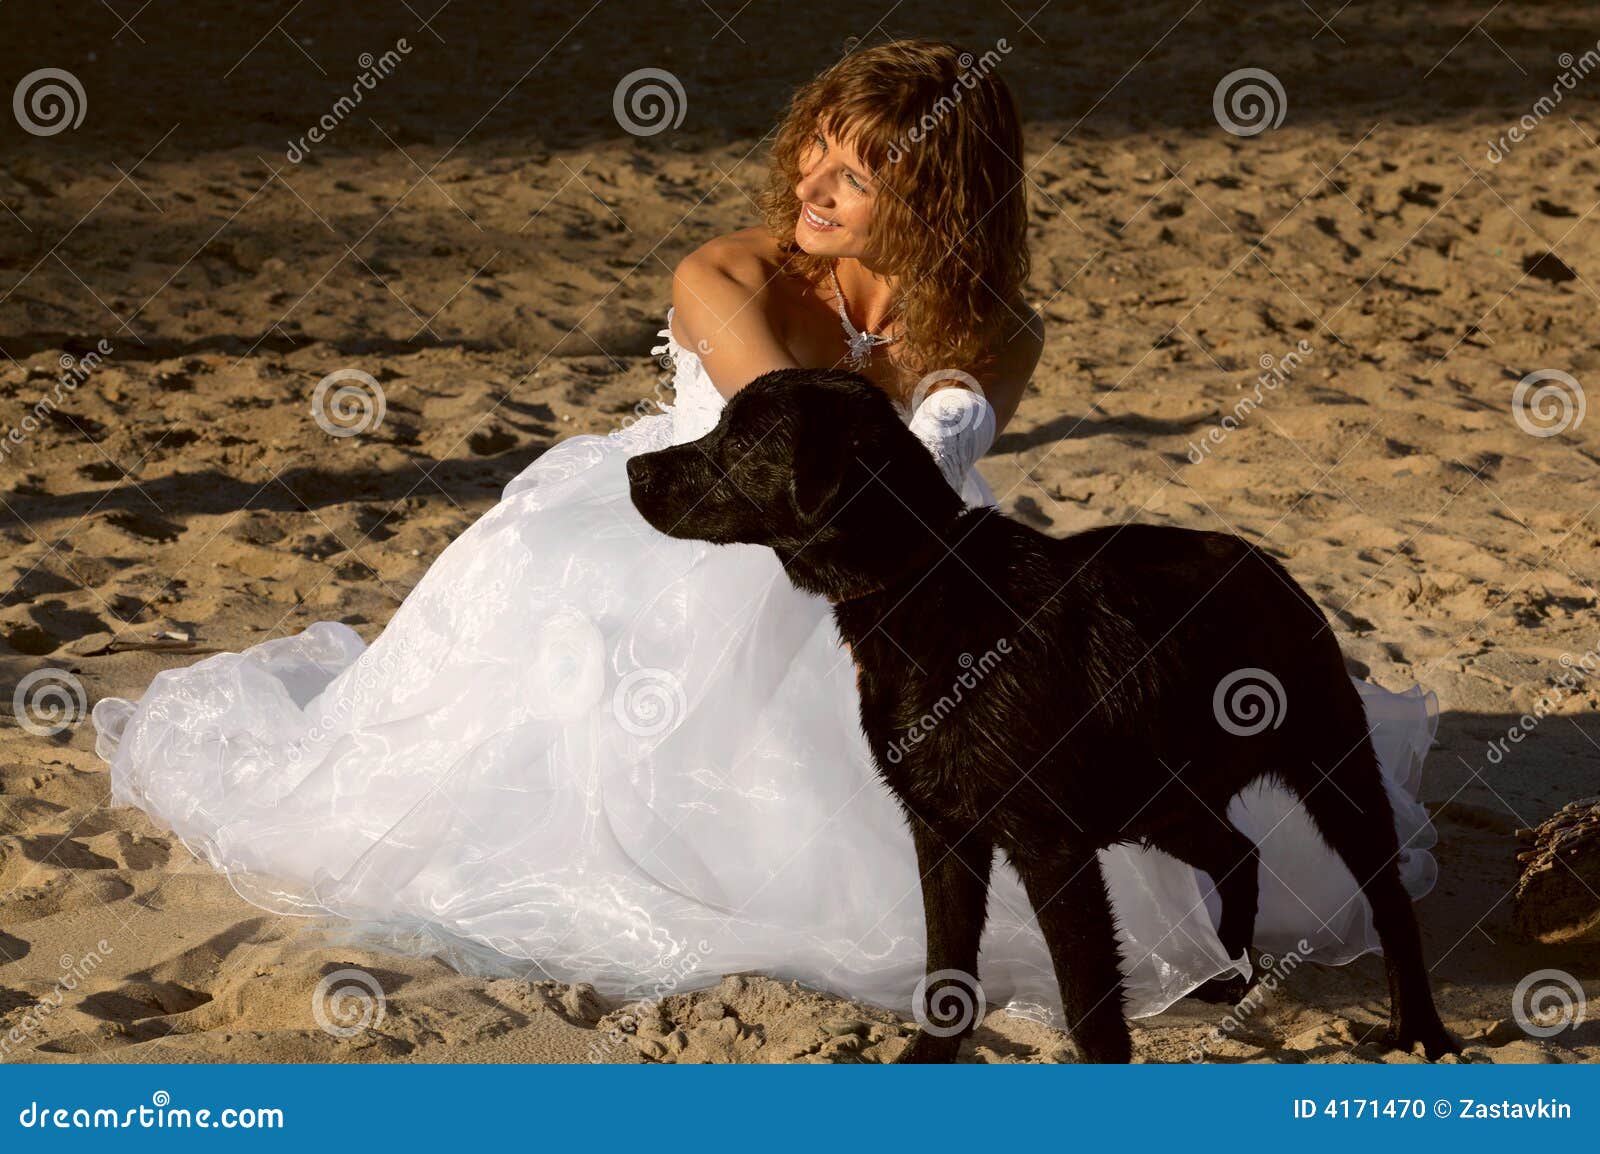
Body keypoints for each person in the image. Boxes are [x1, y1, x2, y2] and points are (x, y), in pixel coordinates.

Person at [92, 40, 1438, 1034]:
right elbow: (789, 446)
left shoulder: (996, 322)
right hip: (706, 527)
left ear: (938, 191)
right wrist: (919, 407)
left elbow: (940, 443)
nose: (817, 181)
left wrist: (938, 374)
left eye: (863, 172)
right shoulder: (722, 275)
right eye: (817, 148)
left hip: (890, 562)